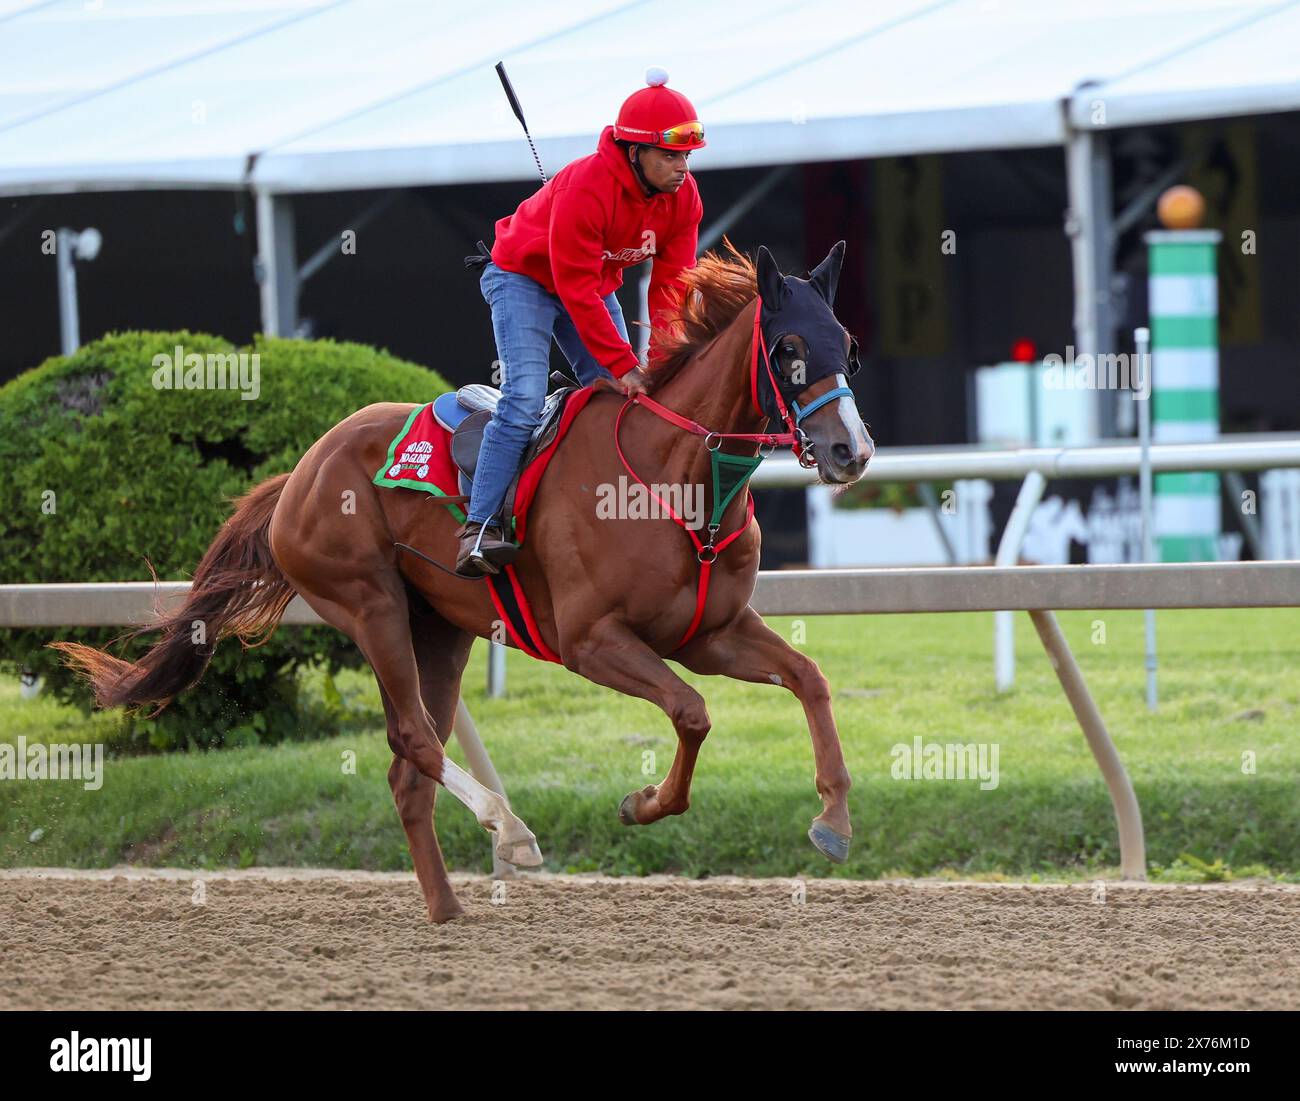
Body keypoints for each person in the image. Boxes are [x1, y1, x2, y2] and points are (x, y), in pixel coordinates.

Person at [456, 66, 706, 577]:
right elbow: (573, 288)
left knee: (628, 401)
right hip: (522, 279)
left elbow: (669, 288)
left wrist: (656, 366)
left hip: (590, 287)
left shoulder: (685, 198)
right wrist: (623, 364)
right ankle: (480, 527)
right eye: (670, 155)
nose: (682, 167)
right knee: (524, 397)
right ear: (635, 152)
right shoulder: (586, 189)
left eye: (686, 156)